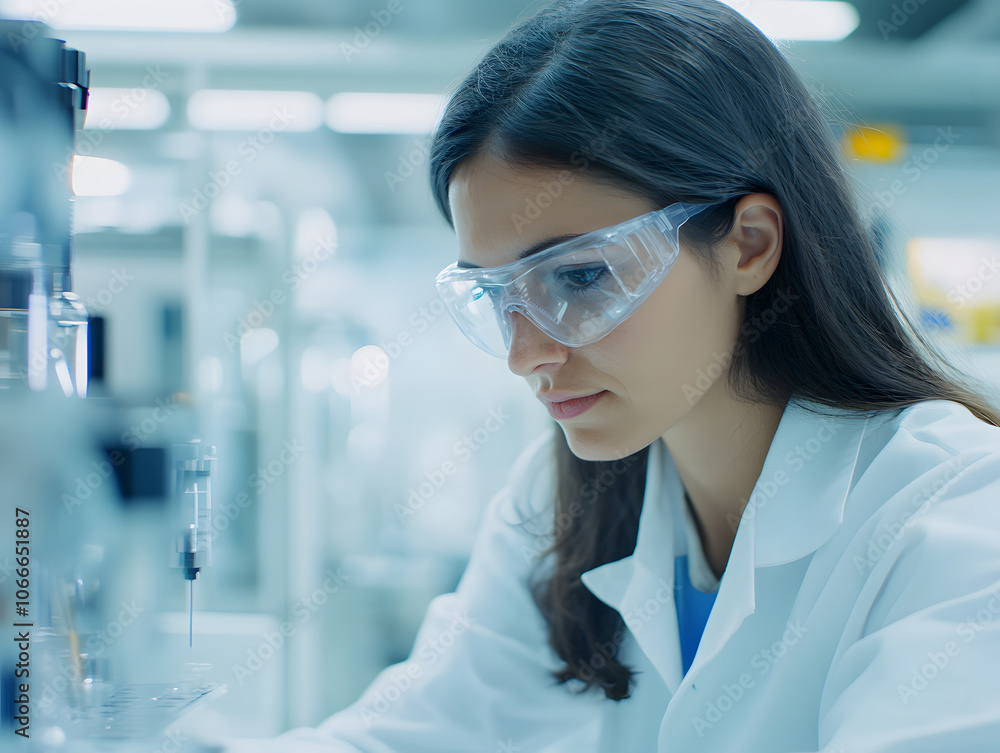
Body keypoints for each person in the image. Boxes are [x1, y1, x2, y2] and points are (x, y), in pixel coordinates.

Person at [224, 0, 1000, 750]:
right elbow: (415, 731)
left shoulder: (957, 517)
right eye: (497, 298)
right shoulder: (568, 498)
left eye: (582, 277)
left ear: (750, 244)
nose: (526, 355)